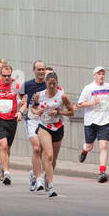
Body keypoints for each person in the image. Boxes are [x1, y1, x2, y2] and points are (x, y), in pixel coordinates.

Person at [28, 70, 73, 198]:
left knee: (53, 159)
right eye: (49, 84)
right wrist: (37, 112)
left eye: (54, 84)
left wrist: (59, 112)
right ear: (46, 84)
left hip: (58, 127)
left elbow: (71, 112)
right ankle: (51, 186)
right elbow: (32, 107)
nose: (52, 86)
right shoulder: (39, 95)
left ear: (57, 83)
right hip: (44, 126)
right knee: (48, 155)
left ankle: (47, 178)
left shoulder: (62, 96)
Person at [76, 66, 109, 183]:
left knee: (103, 146)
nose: (101, 76)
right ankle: (84, 151)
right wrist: (92, 102)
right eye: (99, 74)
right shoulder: (88, 88)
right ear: (94, 75)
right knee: (89, 146)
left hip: (104, 121)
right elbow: (80, 104)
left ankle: (102, 172)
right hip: (90, 121)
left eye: (103, 73)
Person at [0, 61, 24, 186]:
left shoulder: (16, 86)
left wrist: (20, 112)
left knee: (7, 148)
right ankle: (7, 172)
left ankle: (3, 168)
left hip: (12, 120)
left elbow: (25, 101)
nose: (7, 78)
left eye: (9, 75)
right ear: (0, 75)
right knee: (3, 145)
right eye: (4, 75)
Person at [23, 60, 49, 191]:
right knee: (37, 148)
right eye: (39, 69)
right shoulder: (27, 85)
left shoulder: (49, 85)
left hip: (45, 121)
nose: (41, 72)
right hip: (32, 120)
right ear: (34, 70)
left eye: (43, 69)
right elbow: (21, 99)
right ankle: (39, 179)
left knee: (45, 150)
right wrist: (20, 110)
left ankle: (34, 173)